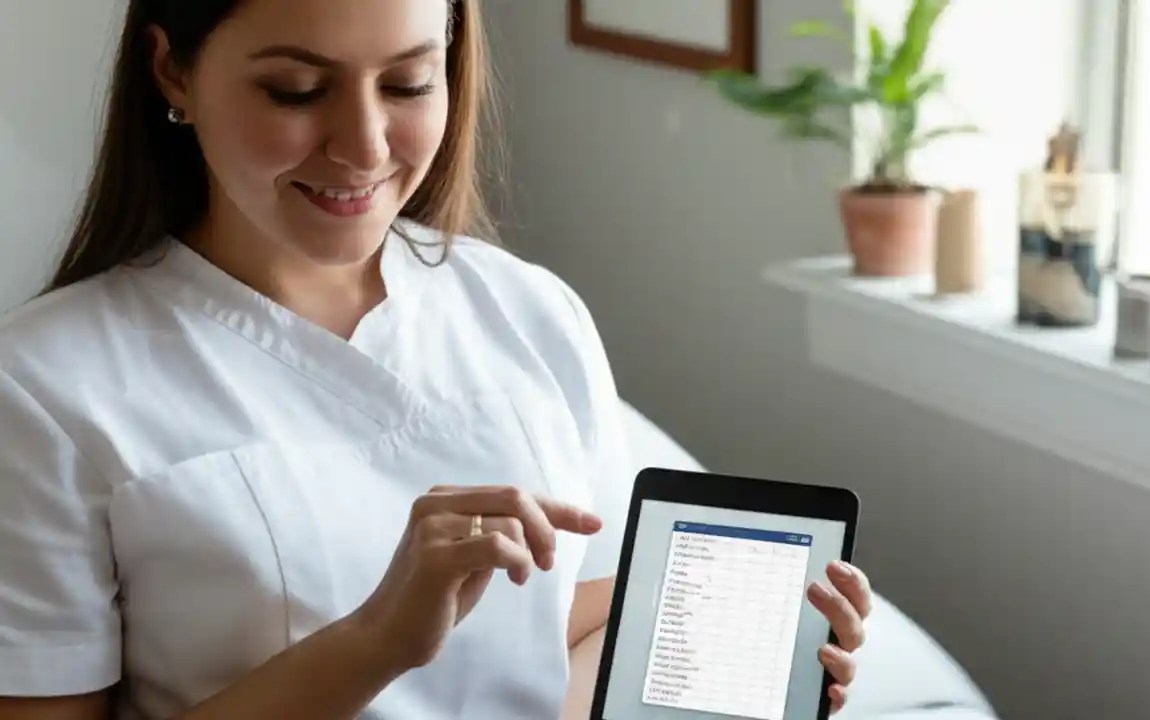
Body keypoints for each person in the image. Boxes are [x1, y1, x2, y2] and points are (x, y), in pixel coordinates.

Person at [0, 1, 874, 718]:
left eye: (410, 82)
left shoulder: (528, 310)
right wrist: (375, 641)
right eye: (296, 89)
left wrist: (755, 656)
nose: (366, 147)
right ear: (172, 72)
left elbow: (569, 636)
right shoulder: (45, 387)